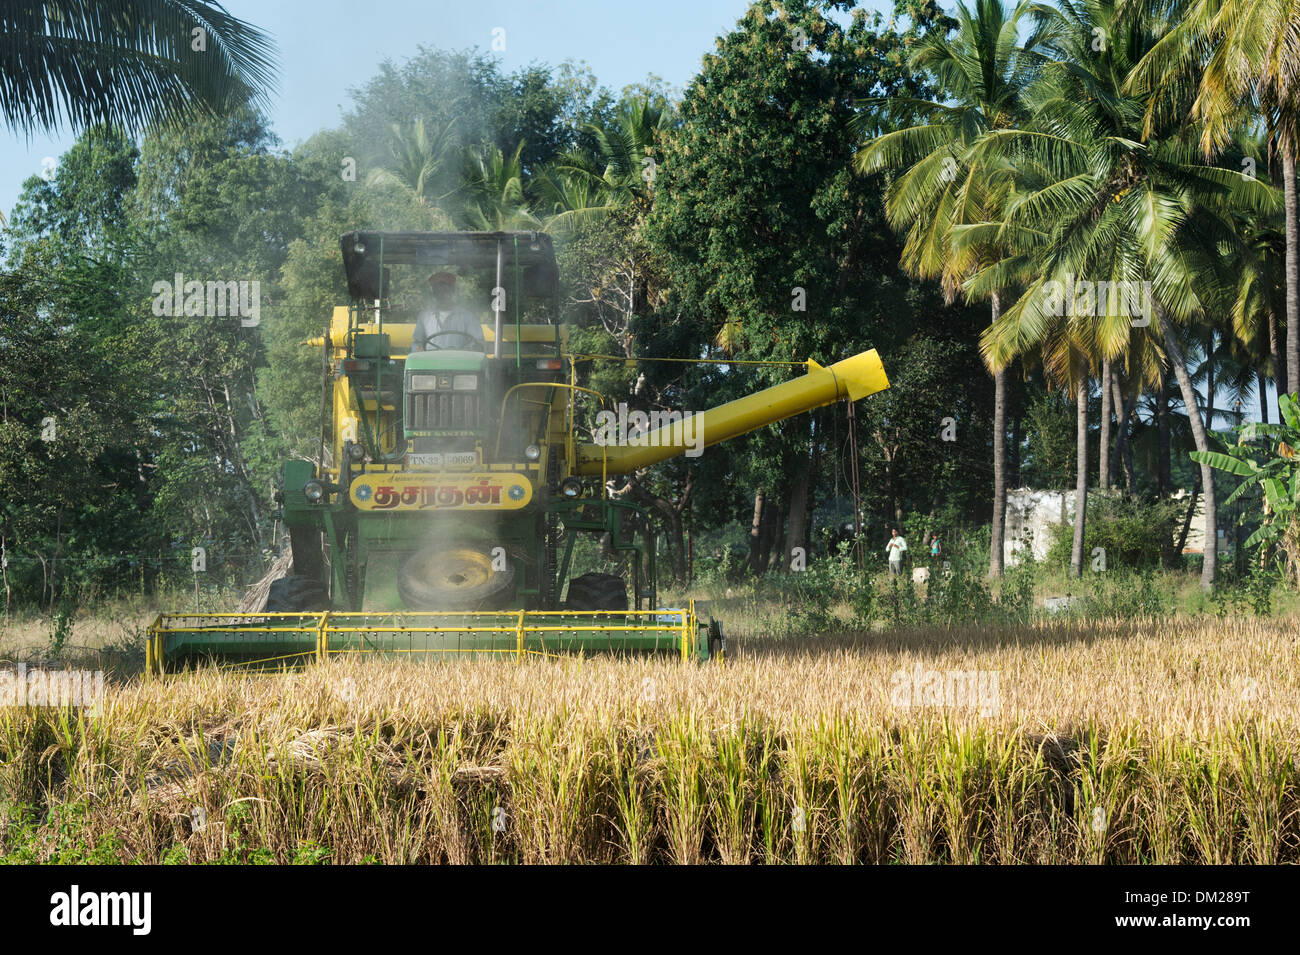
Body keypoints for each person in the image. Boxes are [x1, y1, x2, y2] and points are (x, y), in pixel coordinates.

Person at [413, 272, 483, 350]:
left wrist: (472, 349)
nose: (441, 292)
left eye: (445, 288)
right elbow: (417, 343)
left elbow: (478, 344)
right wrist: (419, 353)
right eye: (437, 288)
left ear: (452, 290)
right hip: (430, 361)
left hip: (459, 361)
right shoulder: (424, 316)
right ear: (433, 292)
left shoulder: (467, 317)